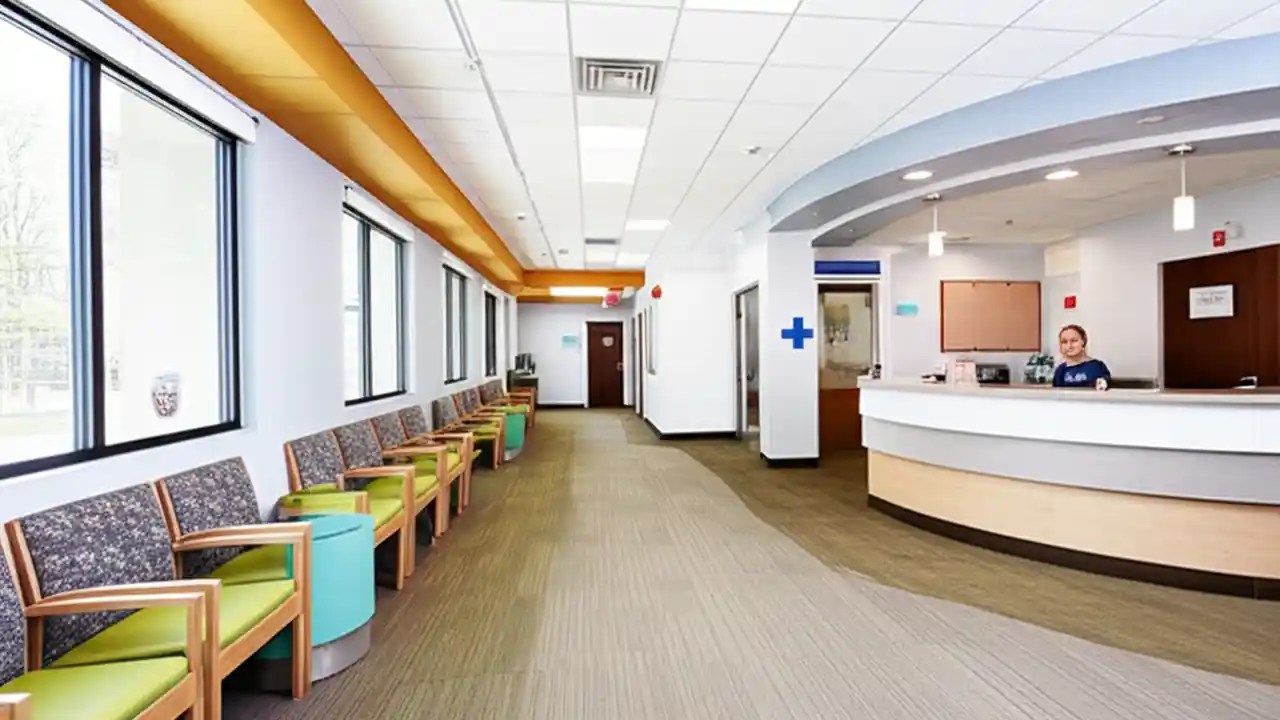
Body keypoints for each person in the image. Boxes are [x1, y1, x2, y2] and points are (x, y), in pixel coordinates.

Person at [1052, 324, 1111, 390]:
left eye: (1074, 341)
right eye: (1064, 342)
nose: (1069, 346)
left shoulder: (1097, 367)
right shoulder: (1060, 370)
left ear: (1083, 341)